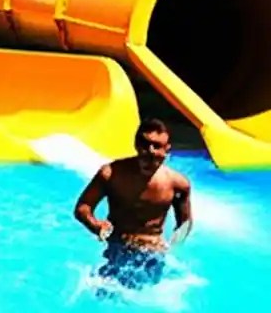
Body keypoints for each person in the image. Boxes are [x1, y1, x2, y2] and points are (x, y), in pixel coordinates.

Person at [73, 118, 192, 291]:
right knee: (107, 296)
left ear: (167, 150)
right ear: (136, 144)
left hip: (154, 255)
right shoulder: (111, 174)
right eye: (145, 144)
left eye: (157, 146)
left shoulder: (178, 184)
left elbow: (185, 223)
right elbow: (83, 207)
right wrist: (95, 225)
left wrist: (173, 243)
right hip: (118, 249)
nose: (150, 151)